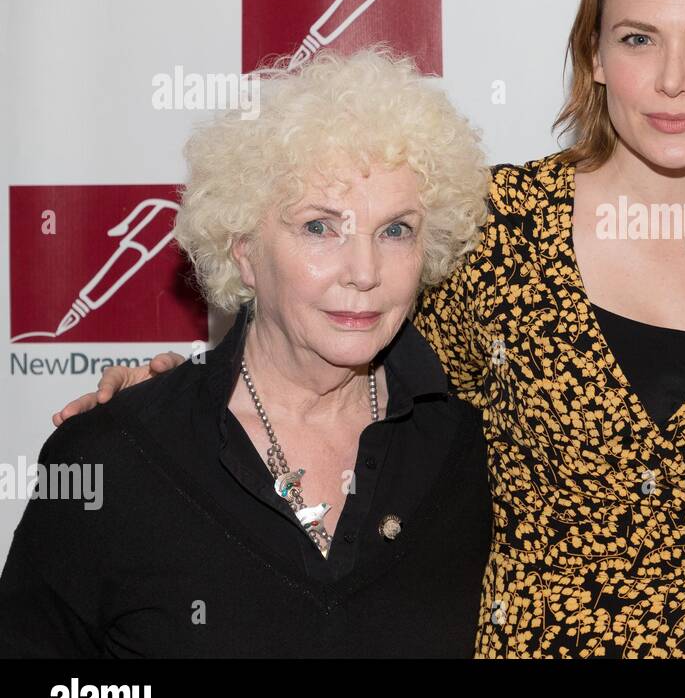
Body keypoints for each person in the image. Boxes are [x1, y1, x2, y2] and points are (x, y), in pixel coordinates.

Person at [51, 0, 685, 658]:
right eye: (639, 39)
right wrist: (169, 411)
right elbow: (341, 369)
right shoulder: (498, 225)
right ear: (596, 57)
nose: (673, 79)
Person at [2, 47, 493, 656]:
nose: (365, 271)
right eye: (319, 227)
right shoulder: (116, 458)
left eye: (396, 230)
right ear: (244, 252)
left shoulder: (469, 450)